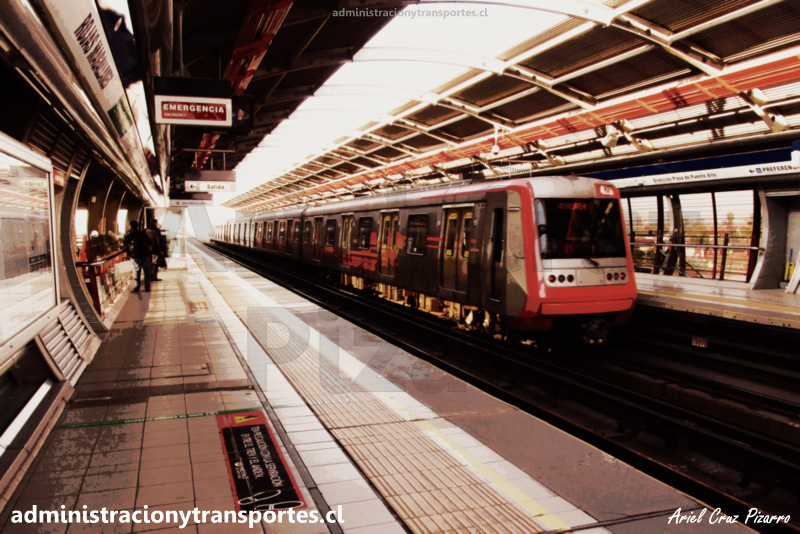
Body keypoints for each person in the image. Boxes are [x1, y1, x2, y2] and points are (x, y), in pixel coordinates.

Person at [123, 220, 151, 292]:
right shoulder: (142, 233)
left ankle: (137, 286)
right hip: (145, 254)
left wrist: (128, 252)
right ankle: (147, 287)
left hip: (136, 255)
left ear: (130, 226)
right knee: (146, 271)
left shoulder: (129, 235)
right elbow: (149, 242)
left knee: (136, 271)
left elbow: (125, 243)